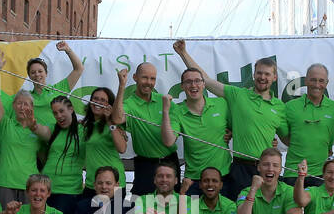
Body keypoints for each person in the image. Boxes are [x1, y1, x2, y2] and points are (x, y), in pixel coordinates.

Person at [173, 38, 285, 199]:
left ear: (274, 77)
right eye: (259, 73)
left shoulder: (280, 107)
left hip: (266, 169)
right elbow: (206, 80)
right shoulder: (237, 95)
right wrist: (183, 53)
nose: (262, 77)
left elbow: (286, 138)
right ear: (253, 75)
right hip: (240, 168)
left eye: (267, 74)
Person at [162, 68, 233, 198]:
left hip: (223, 177)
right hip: (194, 180)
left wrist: (231, 132)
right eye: (188, 82)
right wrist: (166, 111)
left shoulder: (221, 104)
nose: (193, 85)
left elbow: (238, 126)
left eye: (197, 81)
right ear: (182, 86)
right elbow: (168, 141)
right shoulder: (177, 111)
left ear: (204, 84)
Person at [110, 62, 177, 196]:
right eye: (144, 78)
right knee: (141, 209)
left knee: (173, 207)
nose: (149, 82)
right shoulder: (129, 103)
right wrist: (122, 86)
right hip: (145, 165)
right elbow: (117, 119)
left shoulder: (164, 100)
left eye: (152, 79)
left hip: (170, 161)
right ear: (135, 77)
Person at [281, 64, 334, 184]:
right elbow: (284, 137)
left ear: (327, 83)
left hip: (322, 174)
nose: (317, 85)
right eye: (313, 80)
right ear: (306, 81)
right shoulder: (290, 107)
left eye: (321, 81)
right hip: (293, 172)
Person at [35, 95, 86, 214]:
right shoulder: (53, 128)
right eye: (55, 113)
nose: (59, 116)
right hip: (45, 189)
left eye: (61, 111)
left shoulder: (83, 130)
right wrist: (32, 124)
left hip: (68, 191)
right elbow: (40, 131)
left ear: (71, 109)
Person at [0, 89, 42, 206]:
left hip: (30, 186)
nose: (22, 107)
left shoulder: (38, 130)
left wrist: (34, 127)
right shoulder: (6, 124)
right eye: (19, 103)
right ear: (13, 106)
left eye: (26, 104)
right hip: (5, 183)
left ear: (32, 107)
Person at [82, 69, 130, 193]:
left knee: (113, 213)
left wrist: (110, 122)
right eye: (95, 99)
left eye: (103, 100)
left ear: (110, 105)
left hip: (113, 184)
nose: (98, 102)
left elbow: (122, 149)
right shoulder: (85, 125)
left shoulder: (115, 124)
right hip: (92, 183)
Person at [28, 41, 85, 127]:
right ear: (29, 76)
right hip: (36, 138)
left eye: (40, 71)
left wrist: (68, 50)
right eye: (33, 72)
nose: (37, 74)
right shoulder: (26, 97)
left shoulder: (57, 89)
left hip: (57, 137)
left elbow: (79, 69)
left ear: (46, 73)